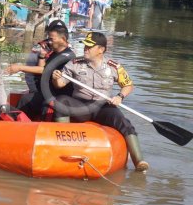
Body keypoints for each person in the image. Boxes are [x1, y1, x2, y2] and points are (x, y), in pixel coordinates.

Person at [50, 30, 150, 171]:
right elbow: (60, 84)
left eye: (89, 46)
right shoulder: (74, 63)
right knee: (61, 101)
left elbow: (128, 85)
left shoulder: (114, 66)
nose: (85, 48)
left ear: (101, 50)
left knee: (124, 122)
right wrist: (56, 78)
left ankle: (139, 161)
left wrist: (119, 96)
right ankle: (63, 149)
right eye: (85, 45)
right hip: (81, 106)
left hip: (103, 106)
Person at [8, 21, 73, 121]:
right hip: (47, 91)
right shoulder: (54, 53)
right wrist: (42, 56)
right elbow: (42, 69)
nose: (49, 42)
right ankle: (17, 122)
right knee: (25, 99)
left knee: (45, 106)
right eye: (49, 39)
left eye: (52, 39)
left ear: (63, 39)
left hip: (58, 95)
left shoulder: (67, 56)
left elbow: (45, 70)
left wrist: (20, 68)